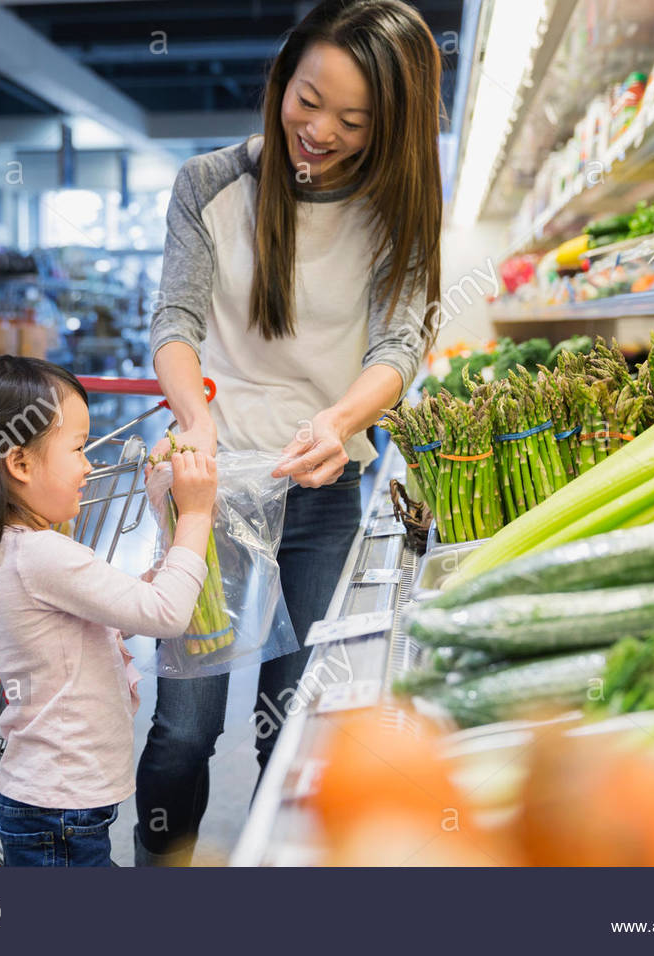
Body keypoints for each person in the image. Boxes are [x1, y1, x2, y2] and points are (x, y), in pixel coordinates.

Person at [137, 0, 444, 865]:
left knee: (298, 721)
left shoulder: (399, 209)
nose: (319, 131)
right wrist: (195, 415)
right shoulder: (210, 183)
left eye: (353, 120)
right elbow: (176, 317)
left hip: (322, 488)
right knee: (184, 728)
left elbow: (398, 342)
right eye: (308, 99)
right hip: (210, 488)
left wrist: (341, 421)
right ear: (284, 75)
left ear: (392, 124)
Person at [0, 355, 218, 866]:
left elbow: (115, 609)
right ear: (20, 463)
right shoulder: (41, 554)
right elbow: (165, 613)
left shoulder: (18, 546)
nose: (89, 464)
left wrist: (160, 551)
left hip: (58, 805)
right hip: (58, 812)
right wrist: (196, 514)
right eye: (78, 448)